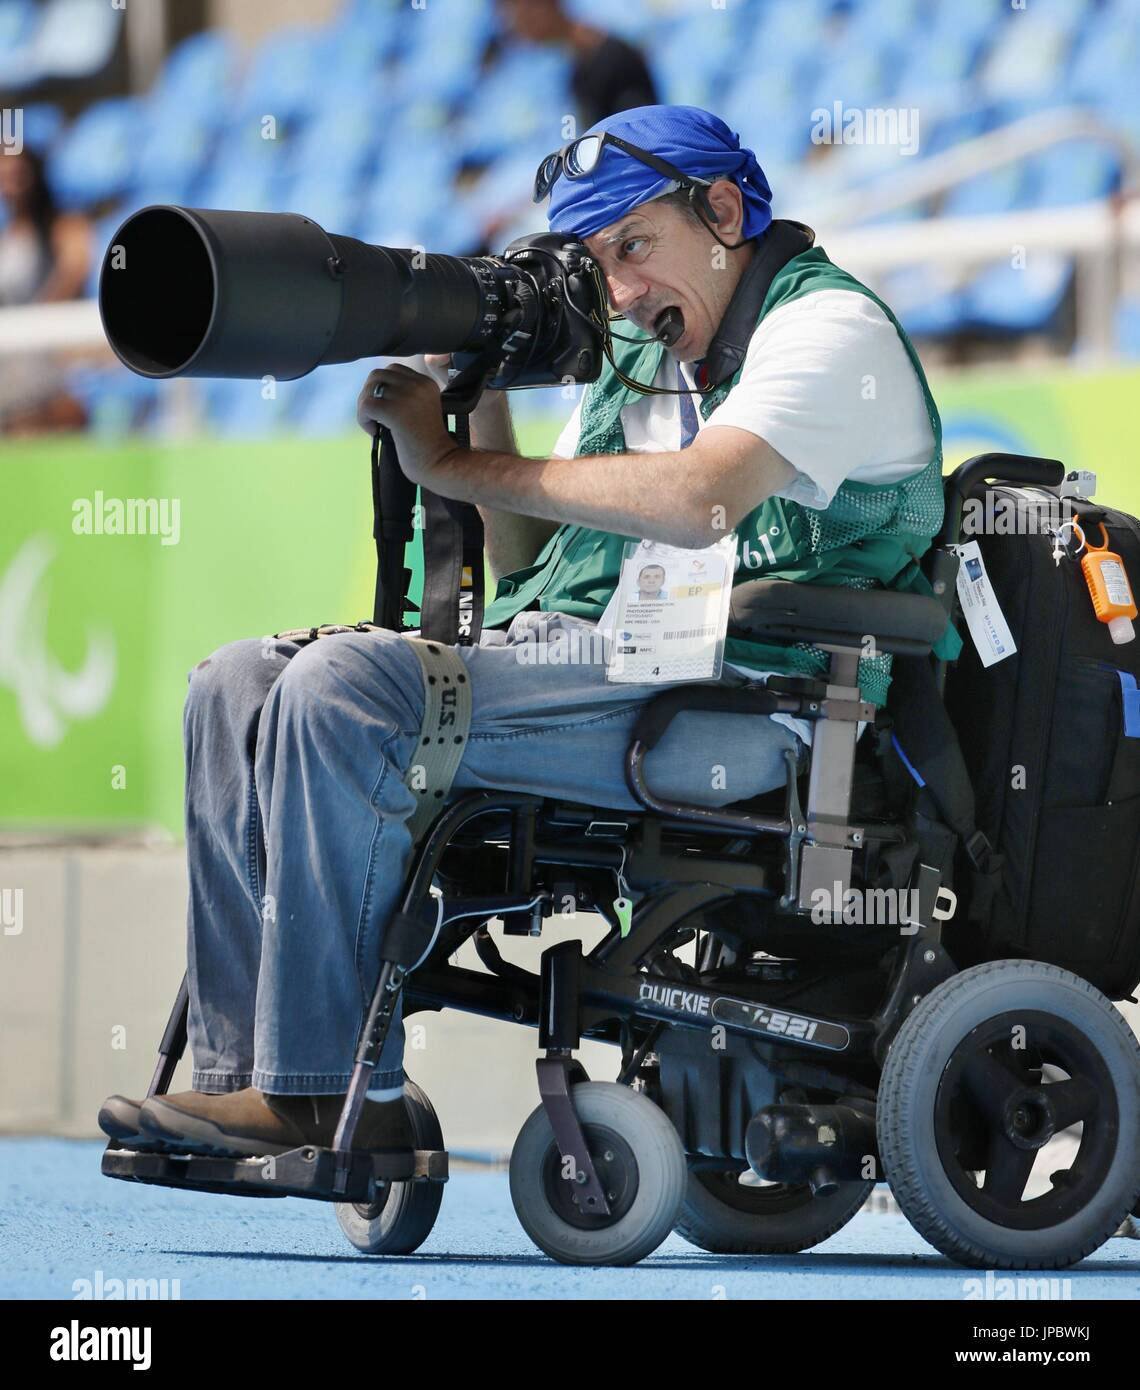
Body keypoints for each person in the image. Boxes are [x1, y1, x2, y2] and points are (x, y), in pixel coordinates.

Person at [100, 104, 957, 1158]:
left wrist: (451, 468)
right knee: (232, 683)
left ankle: (327, 1097)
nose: (622, 292)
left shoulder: (825, 331)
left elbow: (700, 500)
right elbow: (529, 570)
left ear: (725, 210)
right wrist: (479, 397)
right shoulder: (646, 359)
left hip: (751, 704)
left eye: (636, 246)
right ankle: (245, 1085)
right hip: (602, 670)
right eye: (600, 263)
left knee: (343, 689)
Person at [0, 146, 92, 432]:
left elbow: (76, 268)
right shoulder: (8, 235)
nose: (12, 184)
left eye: (18, 175)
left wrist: (38, 321)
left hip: (51, 360)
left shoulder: (64, 226)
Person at [496, 0, 658, 130]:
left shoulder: (615, 59)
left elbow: (641, 136)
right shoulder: (576, 67)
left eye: (520, 17)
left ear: (543, 6)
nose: (519, 29)